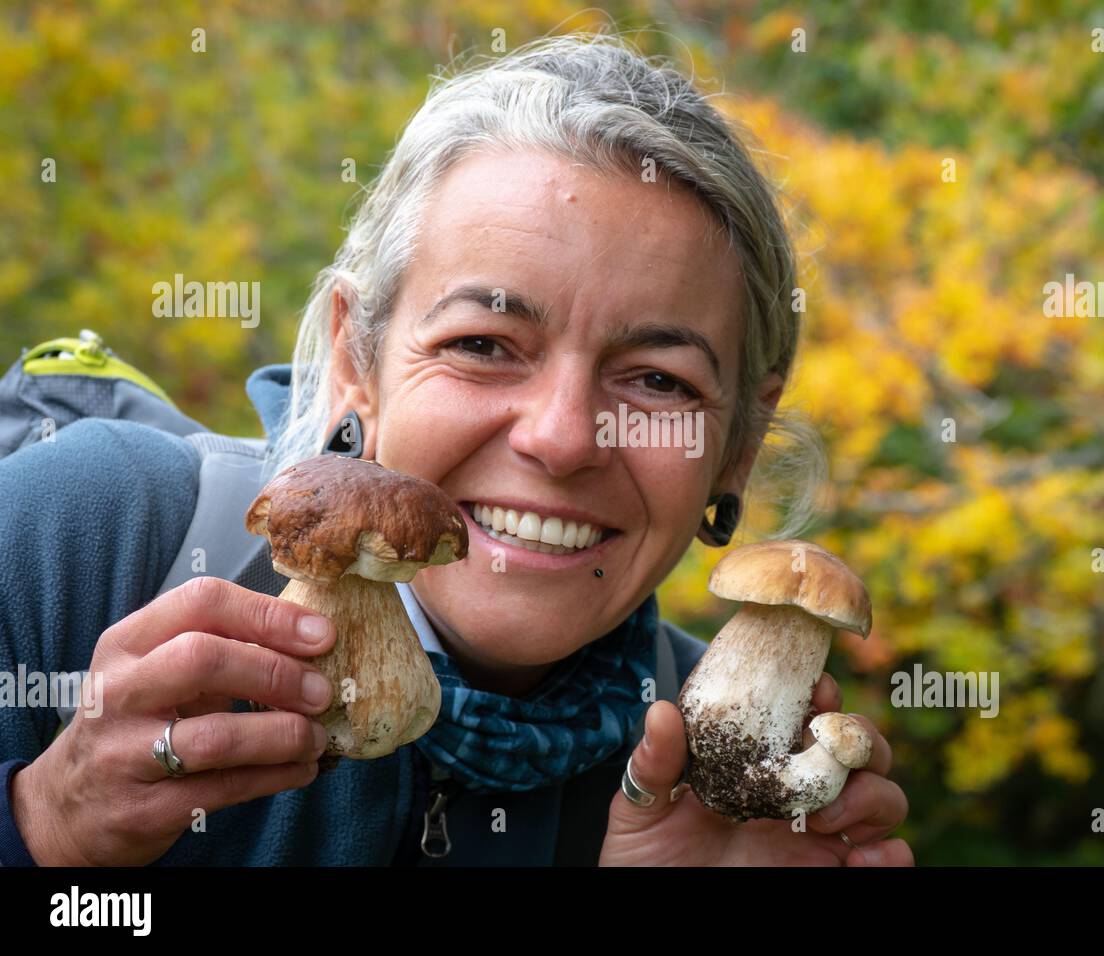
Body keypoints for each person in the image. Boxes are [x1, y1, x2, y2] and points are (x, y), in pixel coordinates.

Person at [0, 33, 911, 866]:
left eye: (659, 380)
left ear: (736, 445)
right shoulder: (84, 534)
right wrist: (44, 823)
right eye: (482, 344)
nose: (559, 439)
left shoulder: (718, 786)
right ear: (357, 358)